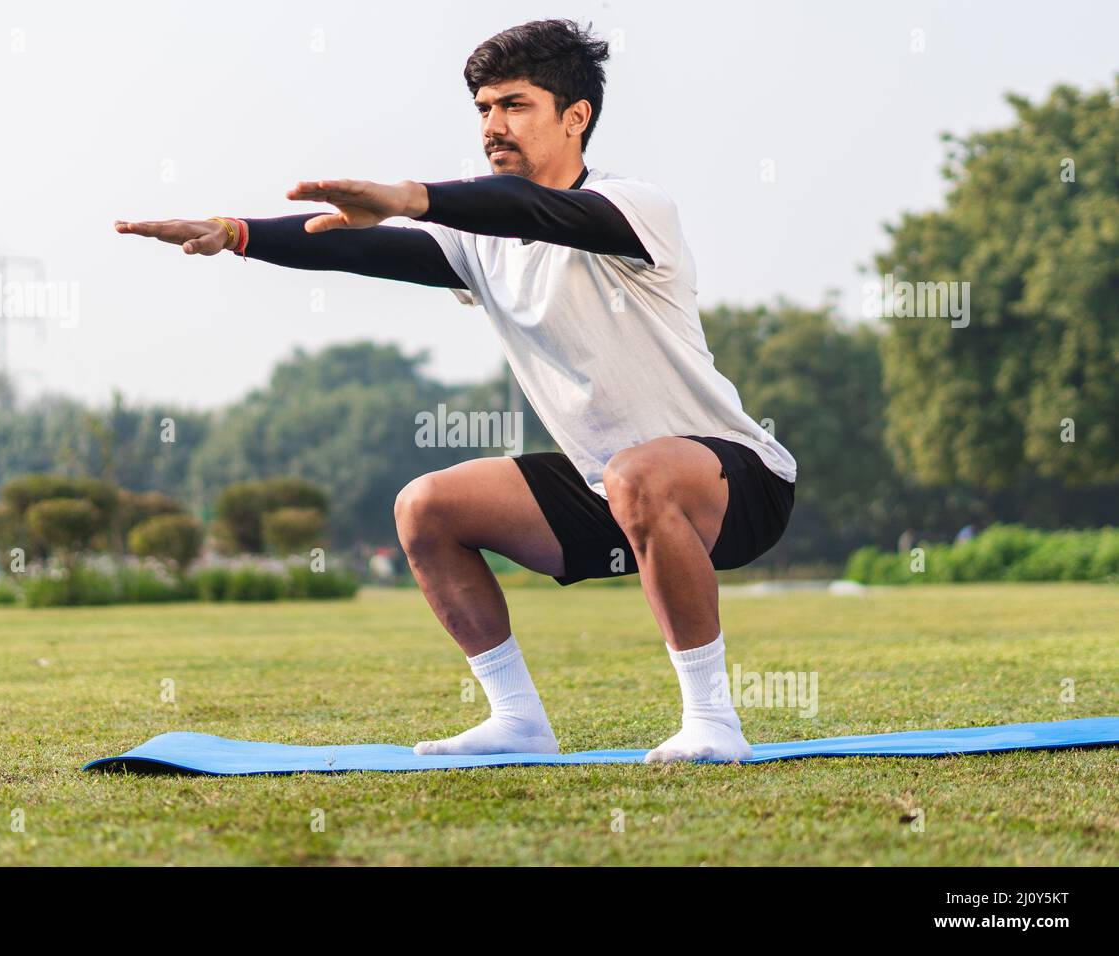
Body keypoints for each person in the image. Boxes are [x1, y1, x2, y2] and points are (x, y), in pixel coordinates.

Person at [115, 18, 797, 763]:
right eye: (482, 109)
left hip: (735, 483)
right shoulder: (479, 239)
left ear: (577, 118)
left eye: (514, 105)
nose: (493, 125)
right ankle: (515, 719)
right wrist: (235, 231)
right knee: (426, 505)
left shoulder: (634, 209)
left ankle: (711, 721)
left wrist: (411, 194)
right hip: (609, 488)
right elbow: (363, 245)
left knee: (641, 473)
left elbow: (529, 210)